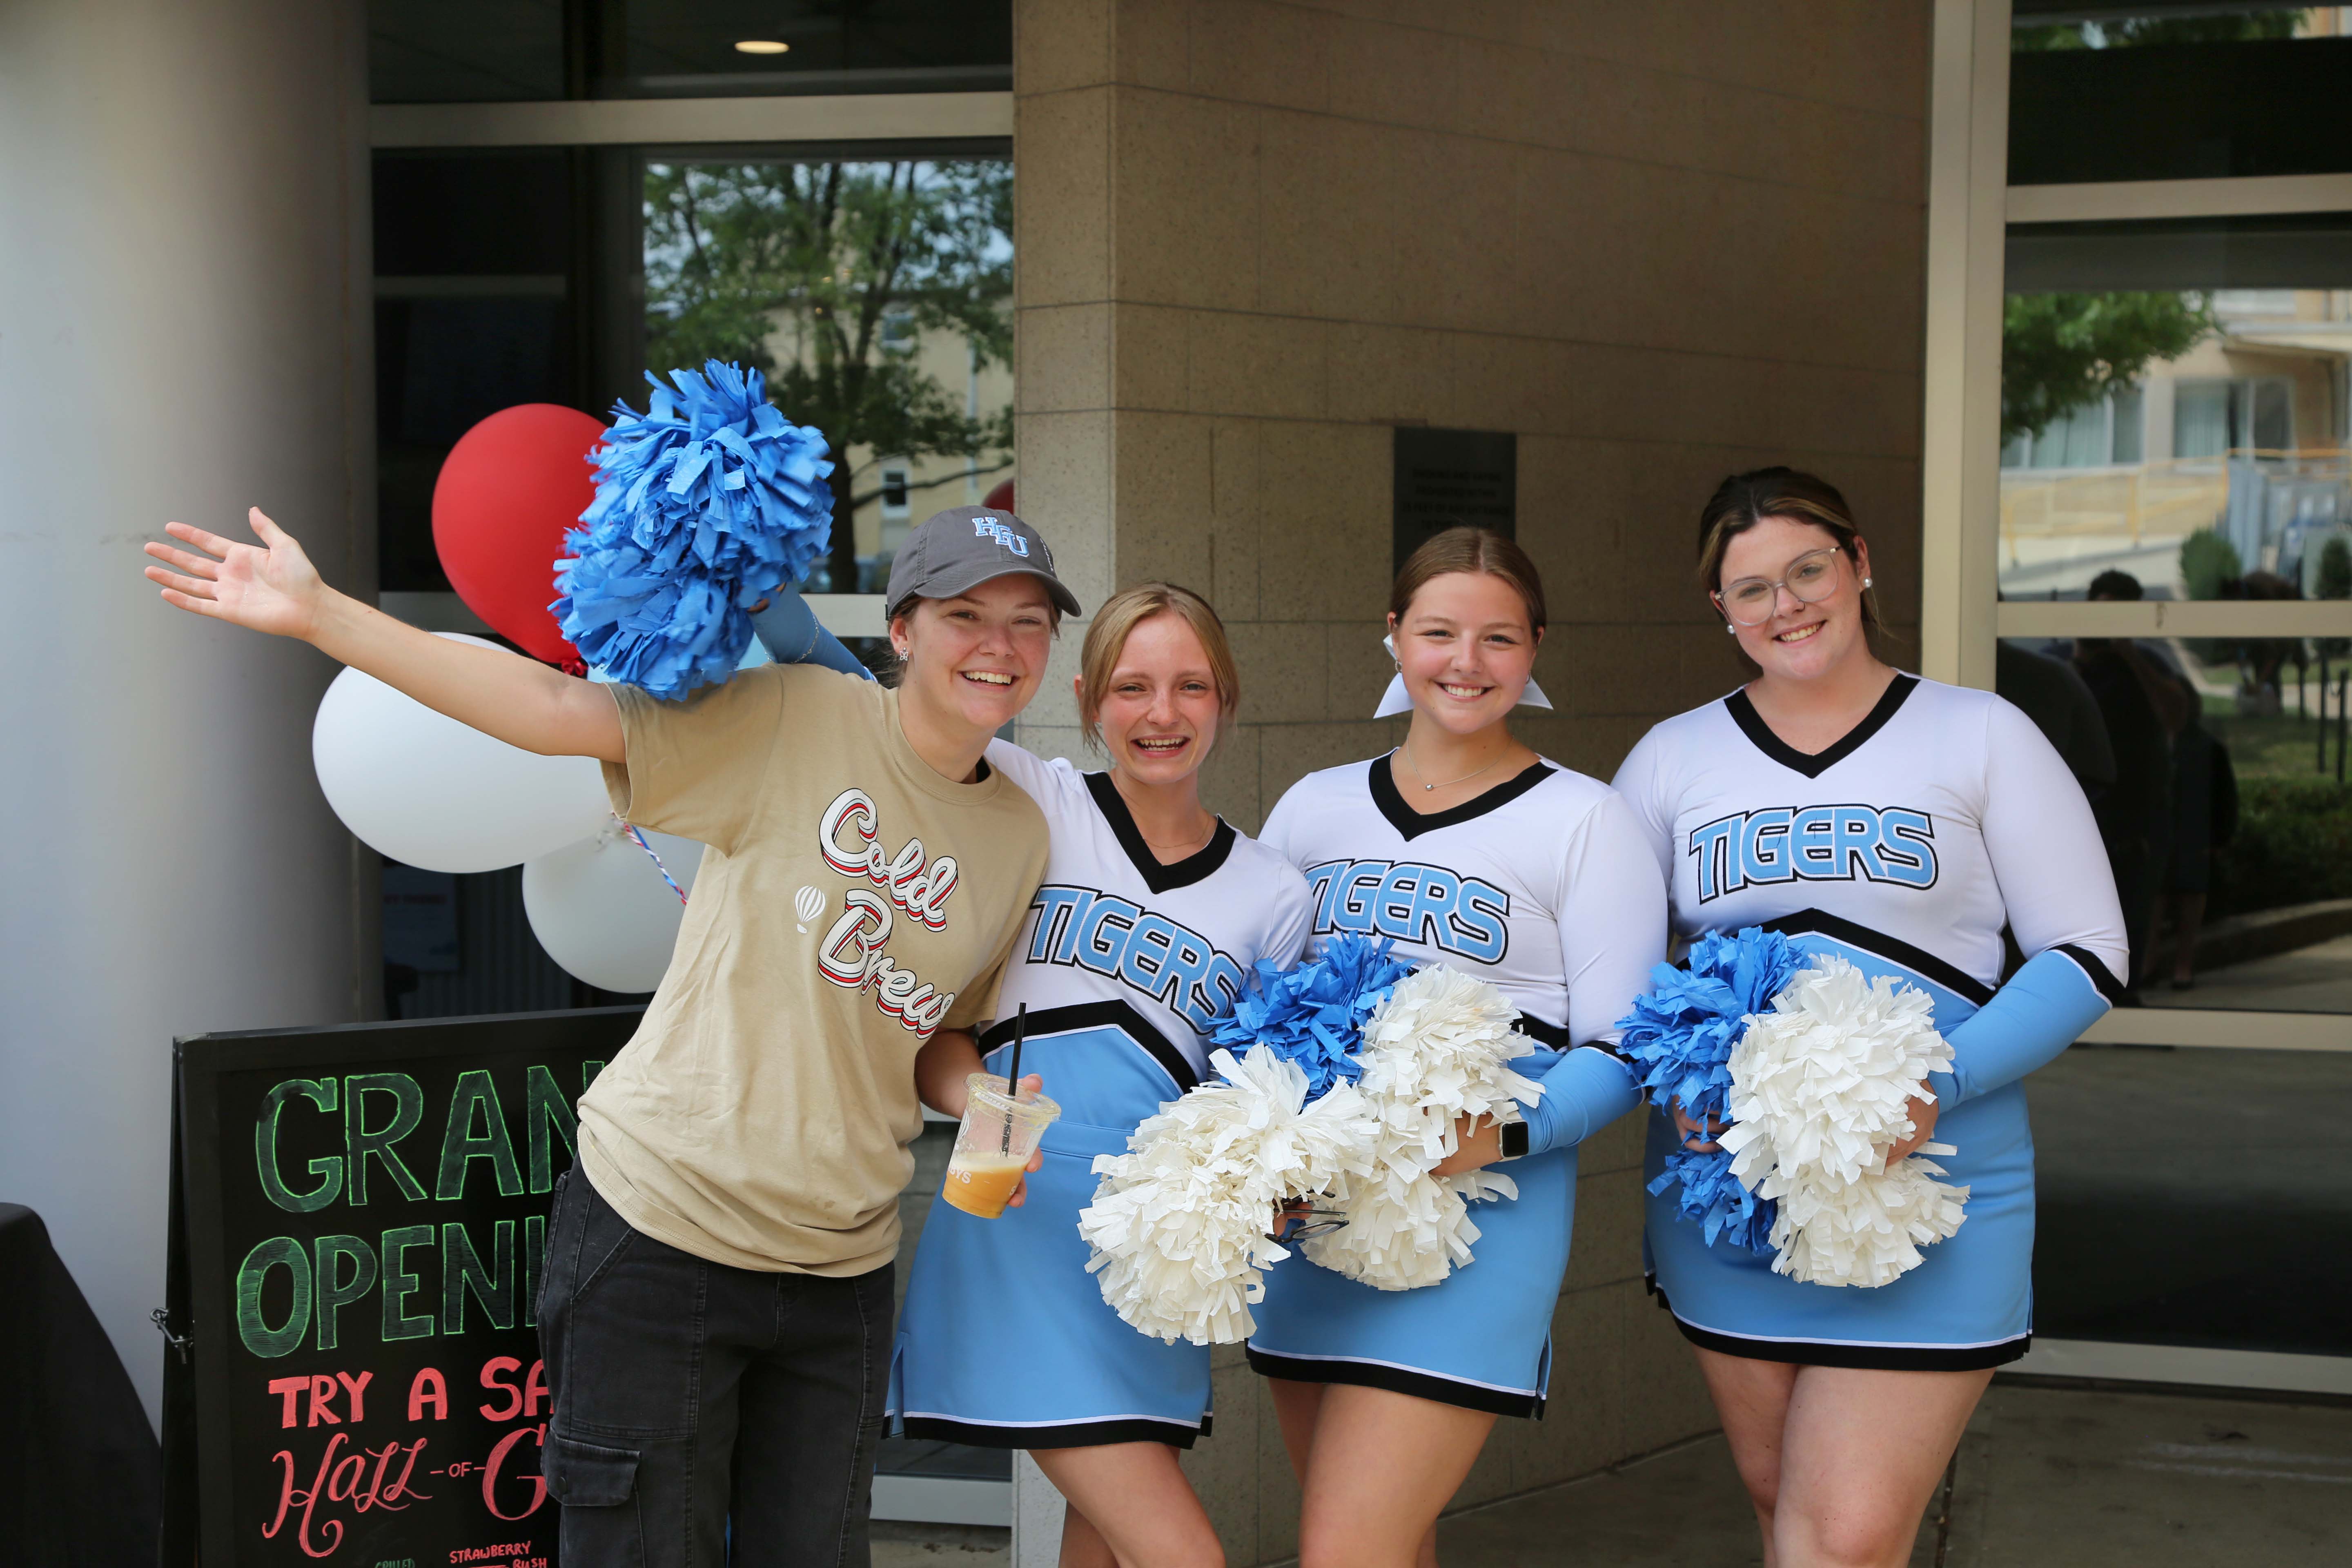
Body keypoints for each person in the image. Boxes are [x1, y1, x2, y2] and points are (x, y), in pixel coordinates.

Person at [143, 503, 1080, 1568]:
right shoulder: (805, 714)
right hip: (663, 1231)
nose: (999, 647)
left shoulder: (1015, 833)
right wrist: (322, 617)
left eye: (1028, 622)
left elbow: (937, 1036)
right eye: (967, 615)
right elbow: (553, 707)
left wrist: (977, 1099)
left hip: (845, 1267)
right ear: (904, 631)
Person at [1612, 468, 2126, 1568]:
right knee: (1785, 1507)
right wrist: (1677, 1084)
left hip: (1934, 1187)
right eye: (1750, 589)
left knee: (1839, 1537)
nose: (1785, 605)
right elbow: (1619, 980)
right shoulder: (1670, 758)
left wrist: (1931, 1086)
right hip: (1732, 1202)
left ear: (1859, 563)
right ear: (1721, 610)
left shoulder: (1981, 735)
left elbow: (2086, 954)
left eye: (1807, 571)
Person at [1243, 528, 1667, 1568]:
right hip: (1320, 1222)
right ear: (1393, 636)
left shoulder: (1587, 819)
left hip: (1481, 1226)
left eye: (1498, 638)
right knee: (1389, 1547)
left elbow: (1623, 1047)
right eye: (1437, 632)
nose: (1465, 663)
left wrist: (1503, 1133)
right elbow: (1263, 1008)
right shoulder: (1313, 804)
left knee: (1345, 1553)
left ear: (1534, 649)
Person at [889, 583, 1312, 1568]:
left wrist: (1271, 1189)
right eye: (1132, 687)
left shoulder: (1273, 891)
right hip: (1016, 1220)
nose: (1161, 715)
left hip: (1151, 1257)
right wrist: (987, 1113)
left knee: (1106, 1548)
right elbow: (936, 1043)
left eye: (1190, 687)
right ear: (1086, 698)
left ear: (1225, 699)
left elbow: (1256, 1100)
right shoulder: (1032, 795)